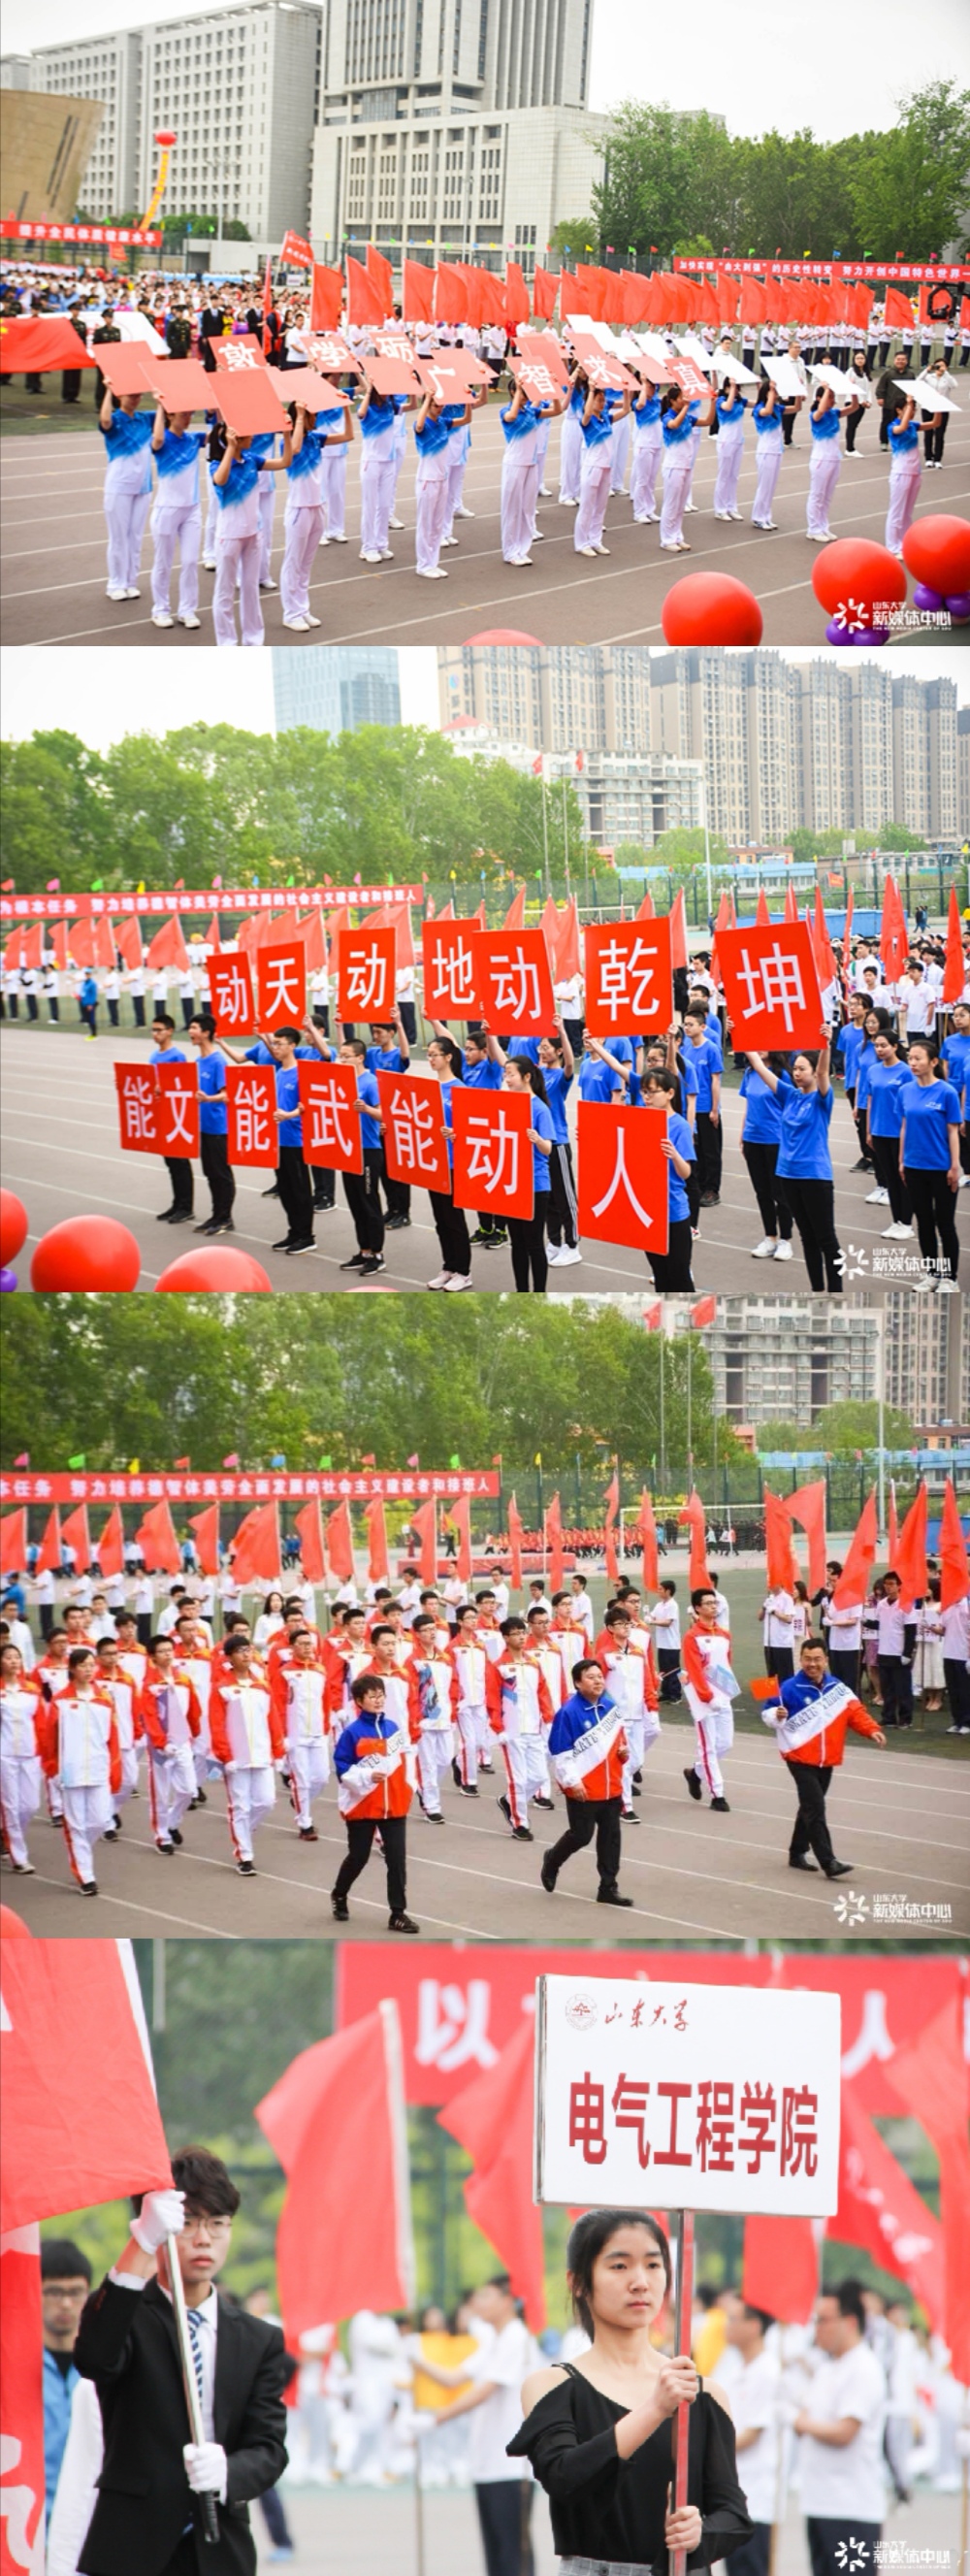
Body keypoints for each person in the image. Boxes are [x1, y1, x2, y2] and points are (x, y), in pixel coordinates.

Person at [74, 2145, 289, 2576]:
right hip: (133, 2547)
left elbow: (268, 2447)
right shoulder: (126, 2315)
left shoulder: (258, 2338)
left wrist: (228, 2472)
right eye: (187, 2223)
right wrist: (141, 2242)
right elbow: (96, 2359)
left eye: (217, 2223)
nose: (204, 2238)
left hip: (218, 2547)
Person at [508, 2208, 753, 2572]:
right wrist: (655, 2408)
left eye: (653, 2265)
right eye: (619, 2266)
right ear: (578, 2282)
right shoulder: (553, 2387)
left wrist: (699, 2531)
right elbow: (565, 2479)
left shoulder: (703, 2394)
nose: (640, 2282)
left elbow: (733, 2515)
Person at [420, 2278, 539, 2576]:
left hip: (511, 2466)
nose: (478, 2303)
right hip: (488, 2462)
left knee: (512, 2553)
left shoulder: (516, 2338)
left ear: (508, 2301)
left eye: (487, 2296)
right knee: (496, 2555)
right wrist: (417, 2358)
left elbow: (484, 2391)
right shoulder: (493, 2342)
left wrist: (434, 2419)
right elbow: (452, 2378)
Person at [760, 1633, 886, 1876]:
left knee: (809, 1807)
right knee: (816, 1807)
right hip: (798, 1756)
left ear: (826, 1660)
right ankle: (829, 1862)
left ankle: (797, 1852)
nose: (812, 1664)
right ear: (800, 1660)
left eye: (817, 1659)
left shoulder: (838, 1688)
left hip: (827, 1759)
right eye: (807, 1659)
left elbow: (855, 1712)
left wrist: (872, 1730)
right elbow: (767, 1712)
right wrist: (776, 1714)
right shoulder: (788, 1687)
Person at [792, 2283, 887, 2576]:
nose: (817, 2328)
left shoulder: (864, 2367)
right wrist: (803, 2423)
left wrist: (803, 2423)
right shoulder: (827, 2367)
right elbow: (805, 2416)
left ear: (850, 2322)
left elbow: (845, 2432)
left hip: (852, 2509)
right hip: (819, 2503)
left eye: (824, 2320)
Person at [743, 1042, 842, 1293]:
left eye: (802, 1069)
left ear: (814, 1072)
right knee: (807, 1238)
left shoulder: (821, 1099)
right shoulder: (789, 1094)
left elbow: (823, 1072)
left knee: (826, 1239)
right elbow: (758, 1065)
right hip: (788, 1175)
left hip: (815, 1177)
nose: (797, 1073)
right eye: (795, 1068)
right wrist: (740, 1035)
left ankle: (836, 1293)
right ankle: (817, 1291)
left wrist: (825, 1045)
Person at [332, 1669, 420, 1932]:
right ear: (359, 1701)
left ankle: (398, 1914)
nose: (378, 1700)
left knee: (397, 1861)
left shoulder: (393, 1728)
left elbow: (406, 1761)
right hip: (363, 1805)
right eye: (372, 1696)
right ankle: (339, 1893)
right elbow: (342, 1769)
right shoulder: (352, 1733)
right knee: (358, 1857)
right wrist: (367, 1776)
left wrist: (409, 1787)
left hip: (394, 1806)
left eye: (381, 1695)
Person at [541, 1655, 630, 1903]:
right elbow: (560, 1751)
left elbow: (620, 1741)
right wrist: (572, 1781)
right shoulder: (568, 1713)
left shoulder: (610, 1707)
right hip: (584, 1787)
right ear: (578, 1683)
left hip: (611, 1786)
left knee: (611, 1839)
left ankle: (608, 1887)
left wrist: (623, 1752)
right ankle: (552, 1859)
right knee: (581, 1835)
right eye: (591, 1677)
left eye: (600, 1676)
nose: (598, 1681)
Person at [38, 1646, 121, 1896]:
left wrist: (114, 1770)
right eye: (83, 1665)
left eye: (91, 1665)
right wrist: (52, 1769)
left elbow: (112, 1738)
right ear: (73, 1669)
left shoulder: (104, 1699)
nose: (88, 1670)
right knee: (75, 1825)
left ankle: (81, 1851)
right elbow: (49, 1739)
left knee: (99, 1821)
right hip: (71, 1771)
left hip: (98, 1768)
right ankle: (85, 1875)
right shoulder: (61, 1700)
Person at [722, 2302, 782, 2576]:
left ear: (755, 2326)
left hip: (757, 2497)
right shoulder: (737, 2369)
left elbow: (751, 2434)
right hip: (734, 2491)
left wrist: (709, 2450)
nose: (728, 2326)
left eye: (734, 2319)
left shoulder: (767, 2370)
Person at [898, 1036, 960, 1292]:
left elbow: (953, 1131)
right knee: (923, 1222)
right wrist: (901, 1161)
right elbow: (904, 1127)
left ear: (934, 1062)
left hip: (941, 1168)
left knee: (944, 1223)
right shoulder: (905, 1091)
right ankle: (932, 1274)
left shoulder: (946, 1092)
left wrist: (954, 1166)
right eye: (910, 1058)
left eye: (918, 1058)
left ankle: (950, 1278)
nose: (912, 1063)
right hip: (914, 1167)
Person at [486, 1615, 554, 1840]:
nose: (521, 1637)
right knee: (518, 1779)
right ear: (506, 1638)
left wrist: (548, 1718)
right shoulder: (499, 1667)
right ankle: (520, 1823)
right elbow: (492, 1699)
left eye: (523, 1632)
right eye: (515, 1633)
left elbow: (542, 1692)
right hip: (512, 1730)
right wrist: (499, 1728)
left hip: (533, 1729)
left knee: (539, 1776)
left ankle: (509, 1800)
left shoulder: (533, 1664)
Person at [42, 2238, 92, 2533]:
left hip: (88, 2522)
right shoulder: (11, 2366)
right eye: (54, 2292)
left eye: (75, 2292)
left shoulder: (103, 2367)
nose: (65, 2304)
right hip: (28, 2521)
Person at [138, 1635, 203, 1857]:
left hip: (182, 1741)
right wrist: (160, 1742)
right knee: (161, 1794)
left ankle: (173, 1822)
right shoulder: (150, 1685)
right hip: (161, 1747)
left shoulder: (183, 1679)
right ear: (153, 1657)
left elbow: (193, 1708)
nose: (167, 1654)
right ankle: (162, 1836)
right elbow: (150, 1716)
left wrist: (195, 1732)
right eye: (162, 1651)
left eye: (169, 1650)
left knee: (189, 1790)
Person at [149, 405, 205, 631]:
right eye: (184, 414)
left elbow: (221, 433)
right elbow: (157, 440)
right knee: (163, 563)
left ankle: (187, 610)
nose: (189, 418)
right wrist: (160, 405)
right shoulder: (162, 441)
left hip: (192, 509)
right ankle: (160, 610)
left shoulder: (194, 439)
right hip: (166, 510)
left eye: (191, 414)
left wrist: (219, 408)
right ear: (170, 415)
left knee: (190, 561)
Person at [682, 1585, 738, 1810]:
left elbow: (727, 1664)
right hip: (703, 1700)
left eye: (715, 1603)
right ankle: (718, 1795)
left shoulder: (724, 1634)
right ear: (697, 1608)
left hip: (723, 1696)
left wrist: (726, 1690)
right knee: (708, 1747)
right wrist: (706, 1696)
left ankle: (695, 1773)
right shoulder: (692, 1636)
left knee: (725, 1743)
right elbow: (694, 1669)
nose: (713, 1607)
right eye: (708, 1603)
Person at [501, 1056, 553, 1292]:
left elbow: (548, 1148)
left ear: (527, 1077)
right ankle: (521, 1290)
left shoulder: (540, 1108)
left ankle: (539, 1292)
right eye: (505, 1074)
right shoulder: (508, 1104)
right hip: (512, 1183)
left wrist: (537, 1139)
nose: (507, 1079)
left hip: (535, 1185)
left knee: (534, 1244)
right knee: (517, 1244)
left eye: (511, 1074)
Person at [98, 382, 153, 602]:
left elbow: (169, 415)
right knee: (119, 537)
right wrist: (108, 389)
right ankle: (115, 584)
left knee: (135, 537)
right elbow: (104, 420)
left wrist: (161, 398)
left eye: (138, 395)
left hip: (143, 486)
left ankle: (130, 582)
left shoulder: (145, 419)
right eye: (131, 395)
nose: (135, 399)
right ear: (120, 396)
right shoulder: (115, 420)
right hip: (119, 486)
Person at [739, 1052, 793, 1258]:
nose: (759, 1048)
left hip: (776, 1140)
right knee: (762, 1192)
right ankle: (770, 1237)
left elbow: (790, 1108)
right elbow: (748, 1106)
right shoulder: (749, 1073)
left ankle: (785, 1239)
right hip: (753, 1139)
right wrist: (743, 1134)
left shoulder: (782, 1075)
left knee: (780, 1193)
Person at [188, 1013, 236, 1234]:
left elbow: (226, 1095)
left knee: (221, 1173)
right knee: (210, 1173)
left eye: (194, 1028)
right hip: (203, 1126)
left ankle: (225, 1218)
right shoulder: (198, 1062)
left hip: (218, 1127)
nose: (190, 1032)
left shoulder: (218, 1062)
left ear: (206, 1033)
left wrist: (208, 1098)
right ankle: (216, 1215)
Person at [0, 1638, 43, 1872]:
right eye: (8, 1658)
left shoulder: (32, 1690)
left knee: (30, 1805)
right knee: (11, 1805)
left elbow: (40, 1722)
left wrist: (44, 1751)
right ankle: (19, 1856)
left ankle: (8, 1834)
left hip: (30, 1754)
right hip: (5, 1755)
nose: (14, 1661)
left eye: (16, 1657)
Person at [874, 1570, 916, 1730]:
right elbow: (879, 1624)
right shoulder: (882, 1604)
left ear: (899, 1586)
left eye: (891, 1584)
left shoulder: (906, 1604)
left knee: (902, 1688)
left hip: (899, 1652)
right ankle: (888, 1717)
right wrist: (864, 1622)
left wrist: (907, 1653)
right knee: (887, 1688)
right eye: (886, 1584)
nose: (888, 1587)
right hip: (884, 1651)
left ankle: (905, 1718)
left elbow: (911, 1631)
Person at [805, 383, 842, 541]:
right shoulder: (815, 415)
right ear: (819, 398)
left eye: (833, 397)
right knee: (817, 495)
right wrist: (827, 389)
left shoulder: (834, 413)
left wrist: (853, 392)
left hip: (834, 459)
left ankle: (823, 527)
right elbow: (820, 410)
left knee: (827, 496)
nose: (833, 400)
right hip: (820, 460)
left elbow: (854, 407)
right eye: (830, 397)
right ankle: (813, 529)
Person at [750, 378, 784, 530]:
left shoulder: (777, 408)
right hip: (766, 451)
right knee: (764, 485)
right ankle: (758, 517)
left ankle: (766, 516)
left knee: (771, 486)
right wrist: (770, 394)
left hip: (777, 450)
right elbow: (767, 411)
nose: (776, 394)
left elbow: (796, 408)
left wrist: (797, 392)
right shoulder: (759, 408)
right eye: (773, 391)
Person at [712, 377, 748, 520]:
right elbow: (727, 407)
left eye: (738, 387)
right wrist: (732, 388)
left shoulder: (740, 401)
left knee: (734, 476)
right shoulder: (720, 400)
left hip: (738, 440)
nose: (737, 390)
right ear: (726, 387)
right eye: (734, 387)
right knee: (724, 475)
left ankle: (731, 507)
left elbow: (758, 403)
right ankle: (720, 509)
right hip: (726, 441)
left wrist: (759, 386)